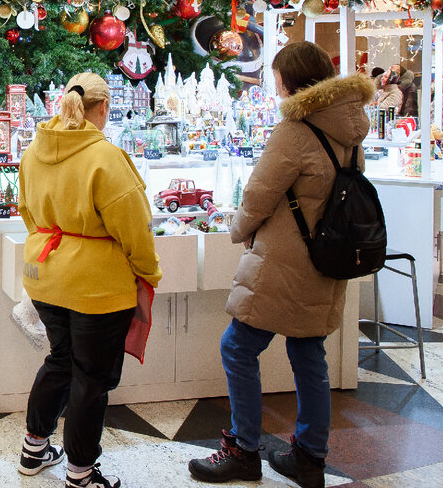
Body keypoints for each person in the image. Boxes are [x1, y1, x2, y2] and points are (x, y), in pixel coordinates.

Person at [188, 42, 372, 488]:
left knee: (238, 347)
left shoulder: (295, 130)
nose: (275, 88)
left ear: (292, 82)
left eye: (277, 80)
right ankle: (309, 458)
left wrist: (237, 228)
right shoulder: (350, 128)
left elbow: (257, 196)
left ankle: (244, 450)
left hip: (286, 262)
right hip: (327, 258)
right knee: (309, 354)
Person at [18, 72, 162, 488]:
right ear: (102, 108)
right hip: (96, 288)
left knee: (60, 360)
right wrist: (148, 273)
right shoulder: (106, 156)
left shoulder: (34, 151)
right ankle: (80, 472)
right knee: (91, 377)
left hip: (45, 278)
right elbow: (135, 227)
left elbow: (28, 213)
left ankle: (34, 449)